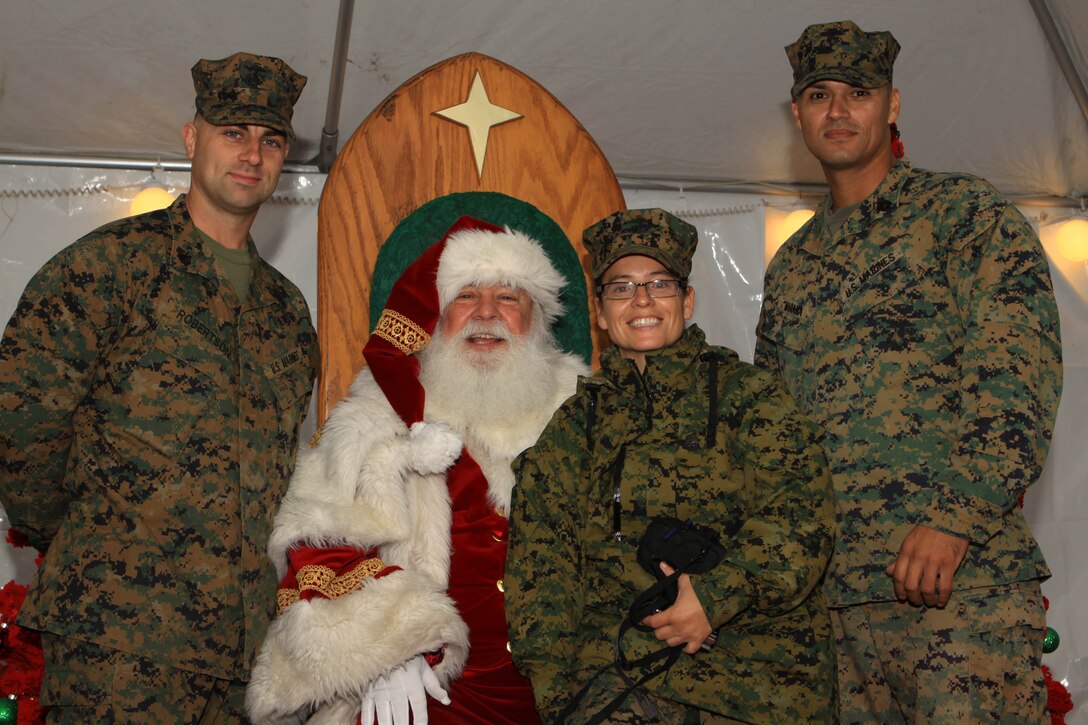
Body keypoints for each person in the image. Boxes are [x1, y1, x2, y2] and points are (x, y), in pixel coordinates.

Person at [756, 20, 1064, 724]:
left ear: (891, 105)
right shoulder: (792, 268)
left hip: (958, 596)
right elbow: (776, 438)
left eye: (858, 93)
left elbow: (1018, 379)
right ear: (798, 113)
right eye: (819, 94)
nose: (838, 111)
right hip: (834, 617)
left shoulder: (964, 215)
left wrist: (953, 518)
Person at [0, 52, 317, 722]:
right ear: (192, 137)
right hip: (119, 641)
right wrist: (95, 538)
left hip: (242, 652)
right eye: (233, 131)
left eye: (271, 139)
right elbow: (22, 424)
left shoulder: (286, 312)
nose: (252, 154)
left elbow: (278, 470)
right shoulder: (106, 268)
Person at [245, 215, 589, 724]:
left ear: (537, 320)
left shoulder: (583, 412)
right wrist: (390, 645)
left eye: (510, 297)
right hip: (426, 690)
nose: (487, 313)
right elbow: (312, 550)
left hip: (565, 690)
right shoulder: (372, 417)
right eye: (466, 296)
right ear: (435, 315)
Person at [505, 208, 837, 724]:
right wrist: (556, 696)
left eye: (658, 283)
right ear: (598, 311)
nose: (641, 300)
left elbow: (801, 517)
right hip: (620, 678)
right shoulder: (575, 427)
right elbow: (542, 566)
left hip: (753, 677)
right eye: (621, 287)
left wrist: (714, 596)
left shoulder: (747, 397)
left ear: (687, 300)